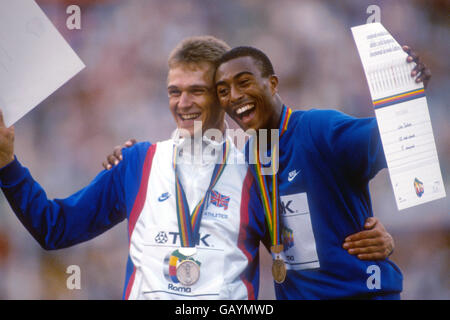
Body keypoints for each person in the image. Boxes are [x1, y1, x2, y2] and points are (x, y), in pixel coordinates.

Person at [213, 45, 431, 299]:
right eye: (223, 91)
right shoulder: (247, 161)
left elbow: (392, 138)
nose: (235, 95)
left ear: (272, 84)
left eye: (244, 82)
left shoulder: (318, 130)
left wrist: (407, 95)